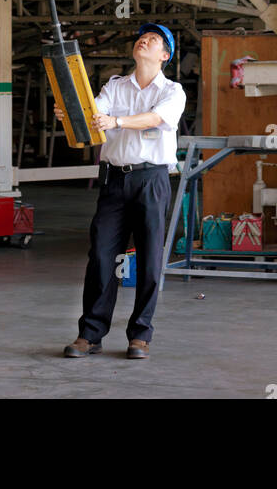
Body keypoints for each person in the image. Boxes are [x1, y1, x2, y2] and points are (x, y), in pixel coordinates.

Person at [60, 24, 185, 361]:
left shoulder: (172, 91)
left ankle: (140, 336)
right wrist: (71, 115)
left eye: (155, 39)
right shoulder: (114, 86)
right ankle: (90, 335)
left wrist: (115, 122)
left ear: (164, 55)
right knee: (101, 256)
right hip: (115, 181)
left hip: (152, 180)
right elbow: (93, 115)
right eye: (142, 37)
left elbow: (155, 119)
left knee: (149, 259)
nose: (144, 40)